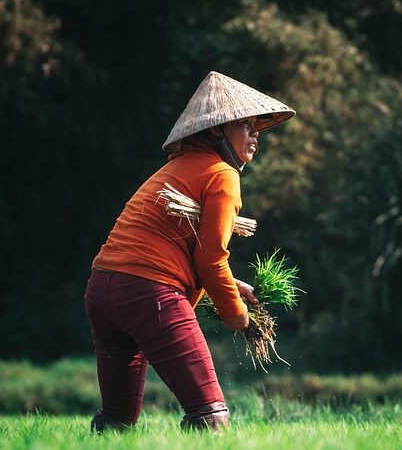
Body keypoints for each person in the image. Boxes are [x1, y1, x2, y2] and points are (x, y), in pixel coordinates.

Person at [84, 71, 295, 432]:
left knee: (117, 421)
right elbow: (210, 259)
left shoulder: (176, 169)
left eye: (257, 126)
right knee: (209, 417)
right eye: (245, 125)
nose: (256, 133)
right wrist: (238, 316)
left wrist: (232, 285)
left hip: (102, 290)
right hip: (149, 294)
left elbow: (181, 250)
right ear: (216, 130)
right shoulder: (223, 176)